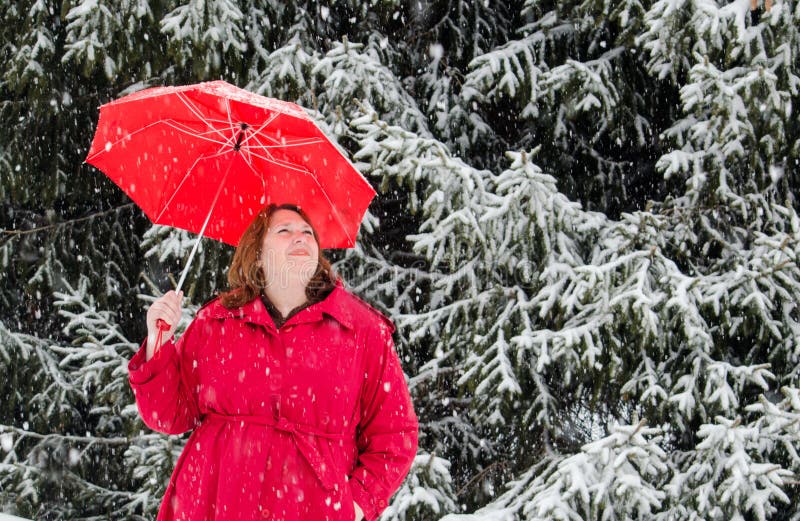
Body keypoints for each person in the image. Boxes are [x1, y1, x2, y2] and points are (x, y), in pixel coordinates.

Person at [128, 204, 418, 521]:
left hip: (313, 510)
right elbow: (167, 414)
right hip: (213, 504)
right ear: (258, 253)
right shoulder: (217, 321)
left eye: (308, 232)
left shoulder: (362, 330)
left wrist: (355, 505)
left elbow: (394, 437)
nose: (300, 237)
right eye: (285, 231)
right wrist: (159, 339)